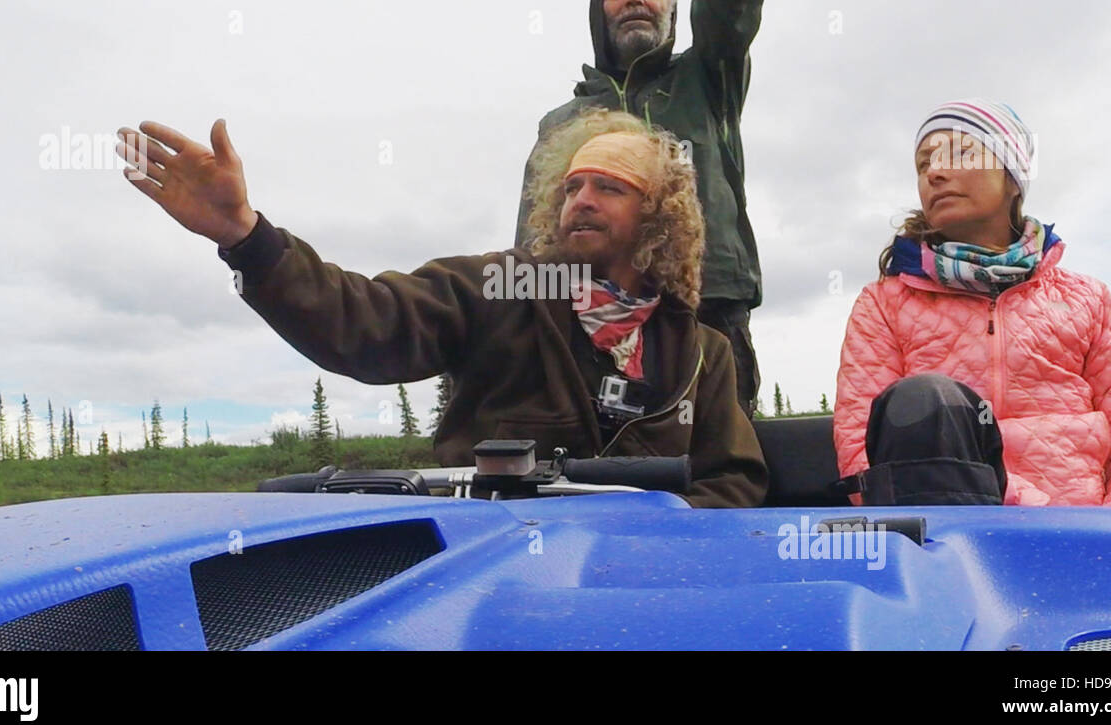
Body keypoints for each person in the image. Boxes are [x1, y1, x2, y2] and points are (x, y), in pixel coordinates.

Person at [115, 108, 767, 509]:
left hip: (644, 600)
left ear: (657, 215)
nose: (581, 199)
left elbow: (732, 482)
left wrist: (645, 534)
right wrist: (247, 238)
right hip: (503, 583)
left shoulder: (701, 352)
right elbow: (366, 320)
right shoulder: (497, 289)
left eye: (608, 186)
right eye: (571, 186)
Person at [833, 99, 1111, 519]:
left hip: (1093, 543)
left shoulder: (1090, 300)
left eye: (960, 153)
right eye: (923, 165)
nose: (935, 173)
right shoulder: (883, 306)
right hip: (952, 544)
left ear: (1013, 178)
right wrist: (1026, 513)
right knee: (921, 398)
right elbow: (863, 453)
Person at [516, 0, 765, 418]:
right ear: (598, 14)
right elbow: (536, 232)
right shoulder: (560, 123)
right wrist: (527, 320)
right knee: (606, 460)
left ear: (672, 8)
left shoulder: (708, 77)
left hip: (709, 306)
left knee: (724, 457)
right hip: (590, 317)